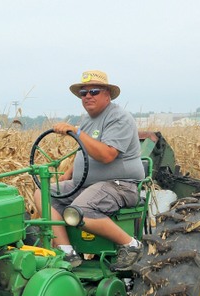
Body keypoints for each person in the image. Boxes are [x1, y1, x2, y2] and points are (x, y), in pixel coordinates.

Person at [33, 70, 145, 269]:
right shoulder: (87, 120)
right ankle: (67, 252)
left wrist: (75, 131)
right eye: (83, 93)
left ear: (107, 95)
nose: (88, 96)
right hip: (86, 184)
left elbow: (107, 155)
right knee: (42, 193)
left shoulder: (119, 118)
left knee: (80, 210)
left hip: (120, 185)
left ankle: (131, 245)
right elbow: (82, 153)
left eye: (94, 91)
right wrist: (68, 176)